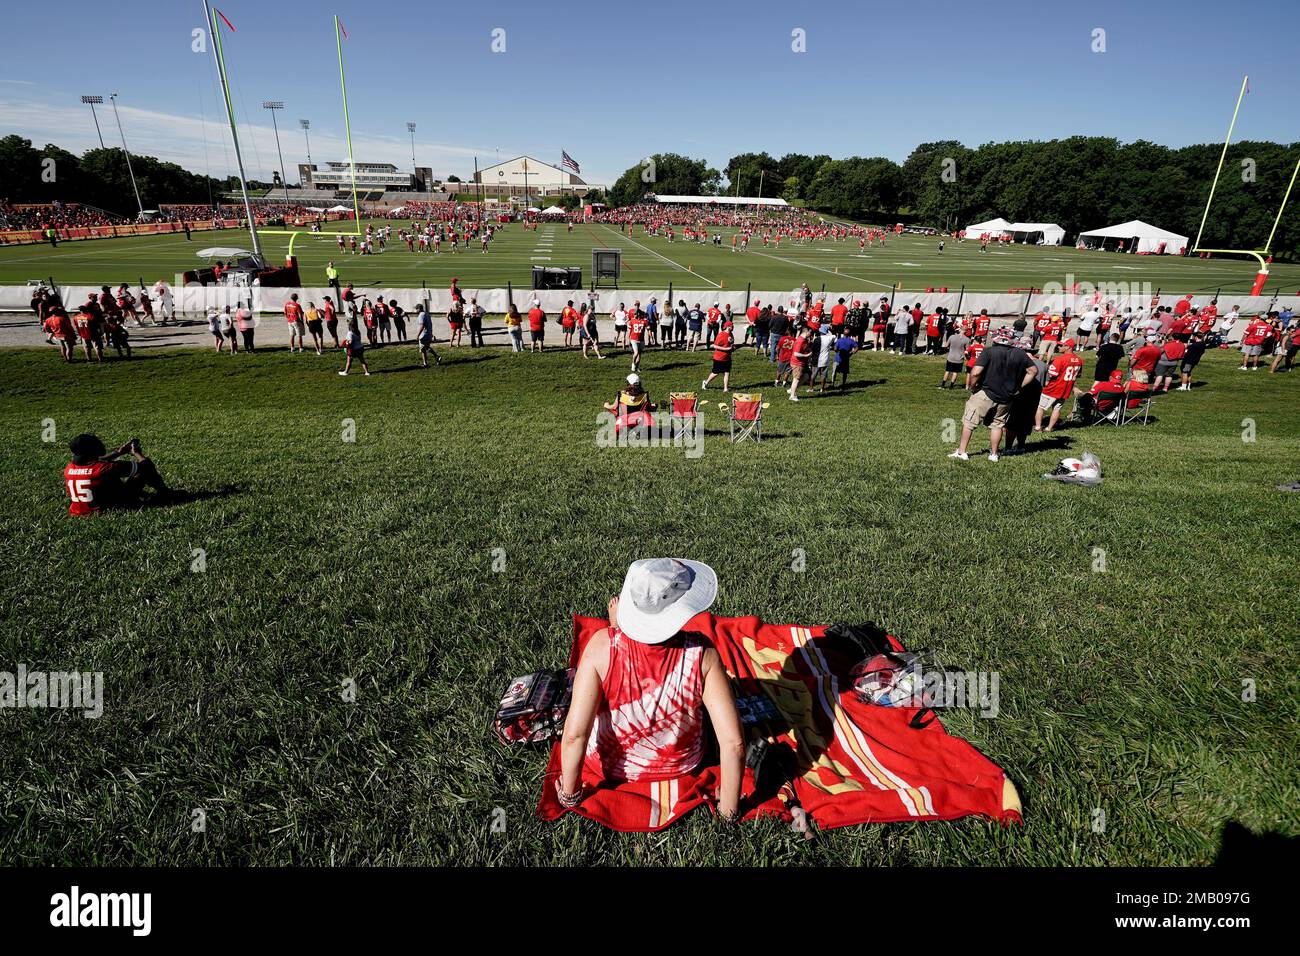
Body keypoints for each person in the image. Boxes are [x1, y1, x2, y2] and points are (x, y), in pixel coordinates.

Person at [555, 558, 743, 823]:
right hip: (682, 766)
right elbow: (733, 743)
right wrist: (728, 811)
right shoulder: (702, 653)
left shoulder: (600, 647)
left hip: (610, 768)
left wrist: (569, 796)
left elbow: (575, 735)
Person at [949, 331, 1038, 462]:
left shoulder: (989, 351)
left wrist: (973, 387)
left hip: (986, 392)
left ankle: (962, 452)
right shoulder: (1020, 354)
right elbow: (1033, 371)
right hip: (1007, 397)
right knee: (997, 425)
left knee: (969, 423)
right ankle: (994, 454)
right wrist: (1019, 387)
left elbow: (975, 372)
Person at [64, 434, 170, 516]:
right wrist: (137, 453)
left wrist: (119, 452)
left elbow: (99, 460)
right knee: (145, 472)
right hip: (109, 509)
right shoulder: (104, 469)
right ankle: (165, 494)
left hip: (79, 512)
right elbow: (146, 466)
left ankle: (161, 493)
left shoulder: (69, 468)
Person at [1035, 339, 1083, 432]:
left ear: (1068, 347)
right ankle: (1049, 428)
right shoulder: (1079, 360)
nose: (1059, 347)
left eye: (1061, 345)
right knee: (1057, 408)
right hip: (1066, 388)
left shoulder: (1060, 359)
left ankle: (1037, 427)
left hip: (1054, 388)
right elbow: (1079, 374)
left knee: (1040, 407)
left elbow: (1052, 373)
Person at [701, 320, 734, 391]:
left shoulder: (731, 334)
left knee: (727, 373)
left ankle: (725, 389)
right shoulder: (721, 334)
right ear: (728, 327)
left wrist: (732, 347)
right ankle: (706, 382)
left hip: (727, 358)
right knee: (715, 373)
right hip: (719, 358)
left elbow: (730, 344)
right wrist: (726, 349)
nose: (733, 327)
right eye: (732, 326)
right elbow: (715, 346)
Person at [941, 324, 970, 389]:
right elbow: (967, 350)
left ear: (960, 329)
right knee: (955, 372)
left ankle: (943, 385)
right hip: (959, 358)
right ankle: (951, 386)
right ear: (966, 331)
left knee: (947, 371)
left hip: (951, 357)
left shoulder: (952, 336)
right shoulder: (967, 339)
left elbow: (946, 346)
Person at [413, 303, 441, 368]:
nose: (416, 310)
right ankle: (434, 358)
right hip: (428, 334)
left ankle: (428, 362)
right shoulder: (427, 314)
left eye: (416, 309)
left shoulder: (421, 315)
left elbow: (422, 325)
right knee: (426, 348)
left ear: (419, 309)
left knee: (423, 349)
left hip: (423, 335)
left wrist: (418, 335)